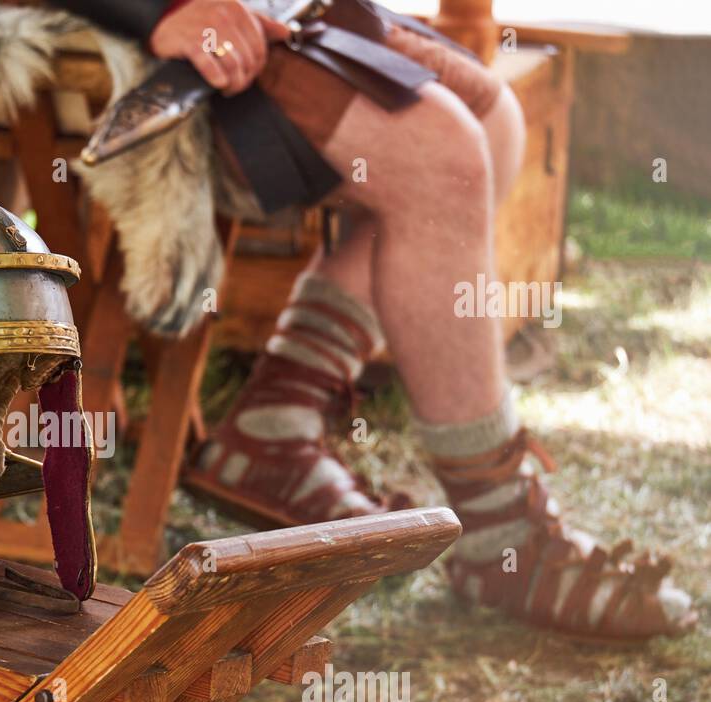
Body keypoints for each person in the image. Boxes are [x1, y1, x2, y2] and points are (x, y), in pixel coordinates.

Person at [53, 0, 694, 643]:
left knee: (490, 117)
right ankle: (504, 533)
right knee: (443, 156)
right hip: (137, 33)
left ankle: (276, 420)